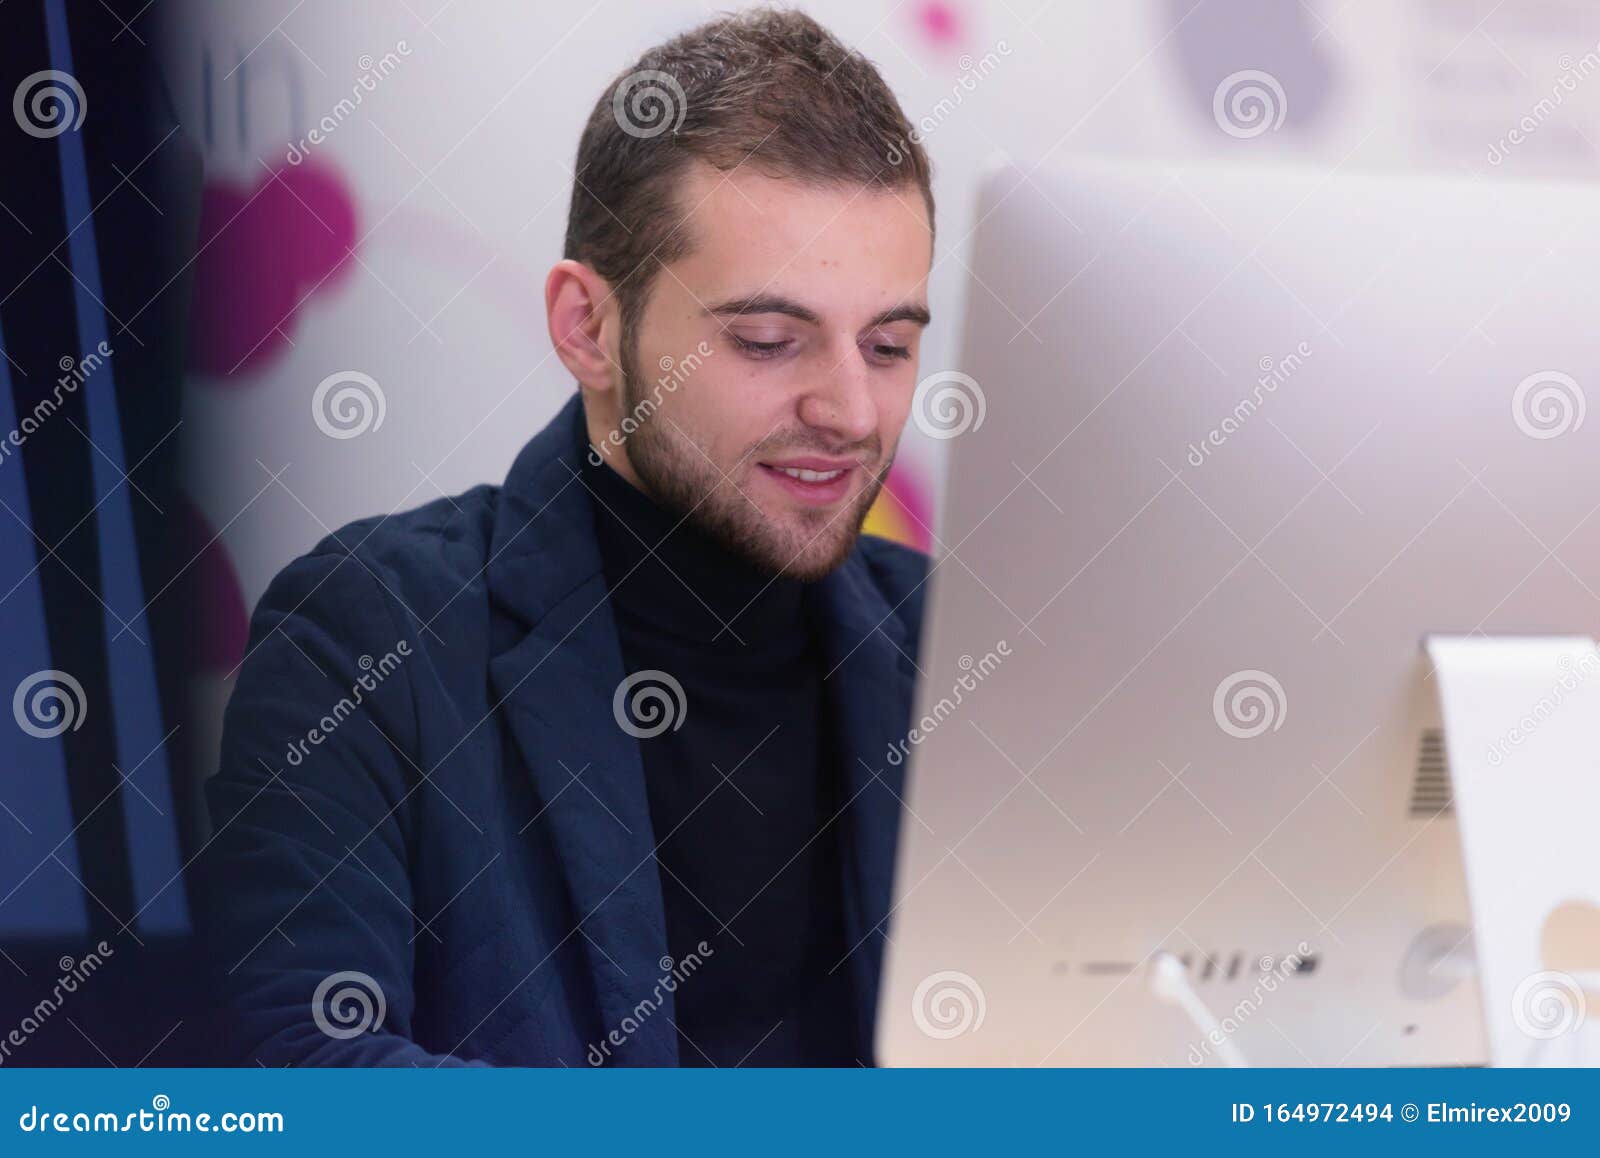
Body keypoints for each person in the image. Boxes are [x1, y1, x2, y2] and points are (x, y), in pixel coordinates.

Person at [202, 7, 935, 1066]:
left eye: (888, 346)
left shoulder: (955, 646)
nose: (852, 412)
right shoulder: (365, 640)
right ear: (587, 327)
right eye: (770, 340)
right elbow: (301, 1079)